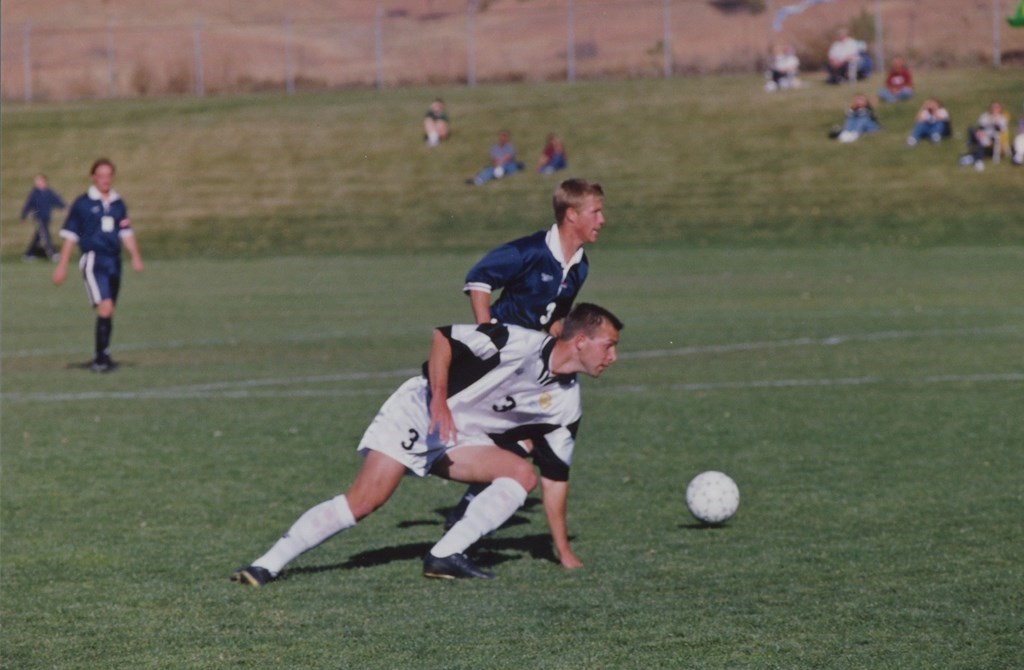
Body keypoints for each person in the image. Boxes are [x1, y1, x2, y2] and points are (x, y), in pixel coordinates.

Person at [231, 303, 624, 585]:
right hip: (419, 410)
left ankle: (444, 555)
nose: (614, 356)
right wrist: (439, 398)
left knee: (522, 474)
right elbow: (444, 337)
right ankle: (266, 565)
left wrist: (563, 550)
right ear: (579, 341)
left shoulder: (566, 404)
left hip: (460, 439)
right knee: (365, 501)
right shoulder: (516, 342)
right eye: (608, 345)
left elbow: (556, 476)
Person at [447, 178, 606, 539]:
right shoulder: (529, 251)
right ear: (571, 214)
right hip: (501, 363)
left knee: (534, 433)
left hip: (531, 363)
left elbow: (553, 318)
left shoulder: (580, 266)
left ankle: (470, 503)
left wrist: (565, 343)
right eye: (595, 212)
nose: (602, 219)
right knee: (504, 433)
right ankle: (468, 502)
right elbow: (478, 281)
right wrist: (487, 334)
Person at [52, 158, 144, 373]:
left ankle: (103, 353)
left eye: (109, 175)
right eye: (101, 175)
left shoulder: (117, 203)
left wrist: (136, 256)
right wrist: (62, 266)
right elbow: (70, 236)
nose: (105, 180)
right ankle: (100, 360)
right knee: (105, 306)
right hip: (93, 259)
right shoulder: (83, 204)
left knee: (109, 309)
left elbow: (126, 232)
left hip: (114, 260)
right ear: (93, 177)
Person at [20, 173, 66, 261]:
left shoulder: (48, 192)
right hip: (38, 218)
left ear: (44, 181)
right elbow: (28, 205)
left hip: (46, 217)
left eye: (39, 181)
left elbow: (56, 200)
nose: (37, 183)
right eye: (36, 181)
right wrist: (23, 215)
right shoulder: (34, 193)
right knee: (45, 235)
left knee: (38, 236)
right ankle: (52, 254)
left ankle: (28, 254)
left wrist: (63, 206)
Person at [958, 102, 1010, 171]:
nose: (994, 109)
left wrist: (994, 121)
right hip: (982, 133)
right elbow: (980, 126)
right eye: (993, 107)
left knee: (980, 139)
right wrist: (980, 131)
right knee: (971, 129)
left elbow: (1000, 130)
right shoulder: (985, 116)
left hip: (992, 136)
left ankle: (974, 159)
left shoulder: (1002, 118)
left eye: (997, 107)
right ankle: (972, 147)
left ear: (1000, 109)